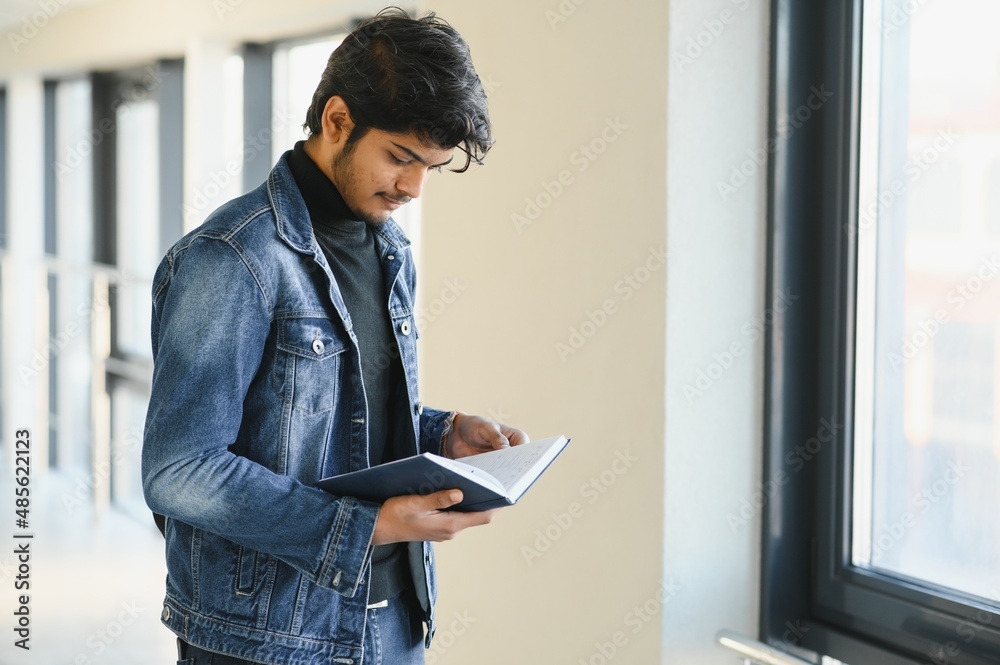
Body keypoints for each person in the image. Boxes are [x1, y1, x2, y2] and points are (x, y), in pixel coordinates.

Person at [141, 8, 526, 665]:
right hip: (265, 640)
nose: (414, 187)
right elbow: (180, 467)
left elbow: (333, 411)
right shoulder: (232, 257)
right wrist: (364, 526)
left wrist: (439, 432)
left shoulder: (389, 249)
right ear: (338, 120)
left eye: (430, 166)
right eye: (401, 158)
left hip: (395, 621)